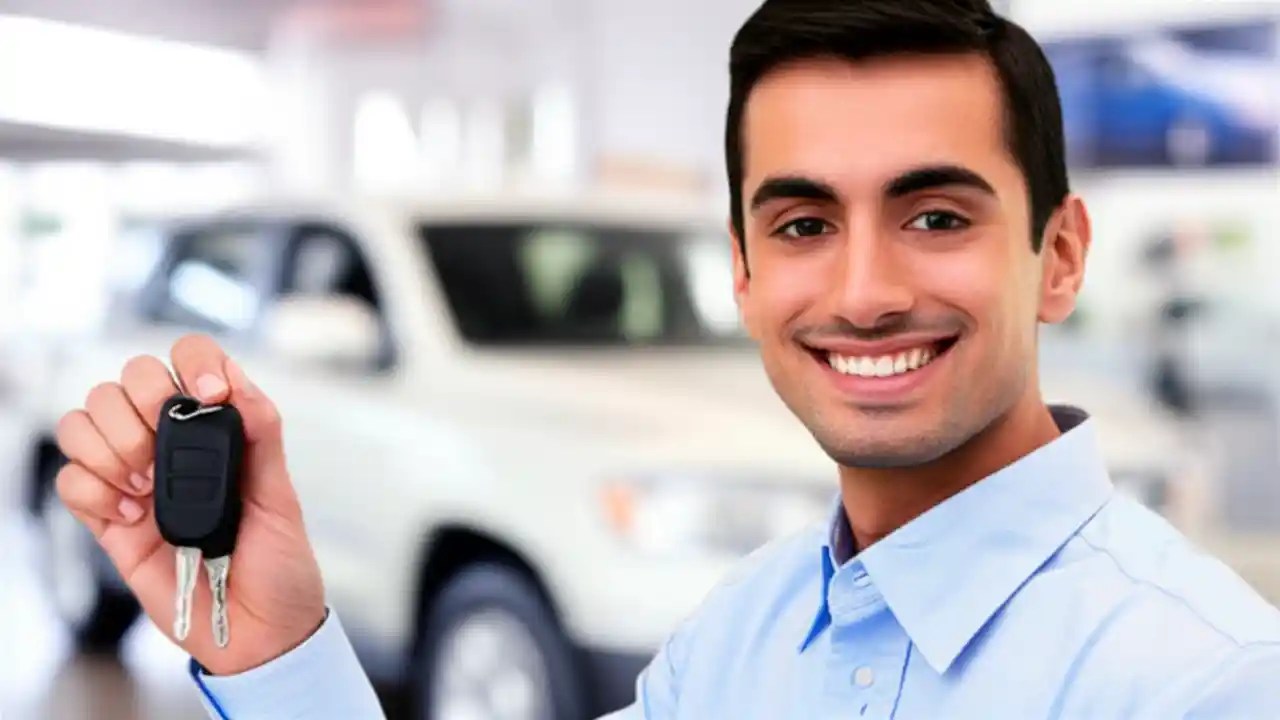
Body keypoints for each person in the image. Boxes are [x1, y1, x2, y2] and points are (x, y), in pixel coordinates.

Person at [53, 0, 1280, 718]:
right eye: (802, 226)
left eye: (936, 215)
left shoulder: (1200, 683)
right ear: (741, 275)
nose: (861, 294)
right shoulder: (739, 637)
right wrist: (275, 648)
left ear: (1058, 254)